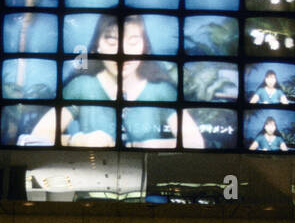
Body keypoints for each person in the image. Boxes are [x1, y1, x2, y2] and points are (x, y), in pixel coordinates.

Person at [29, 15, 204, 148]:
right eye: (112, 41)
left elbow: (195, 142)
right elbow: (38, 136)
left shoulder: (160, 90)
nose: (123, 52)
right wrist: (78, 140)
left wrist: (152, 145)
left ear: (144, 46)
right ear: (97, 45)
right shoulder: (82, 86)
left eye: (133, 42)